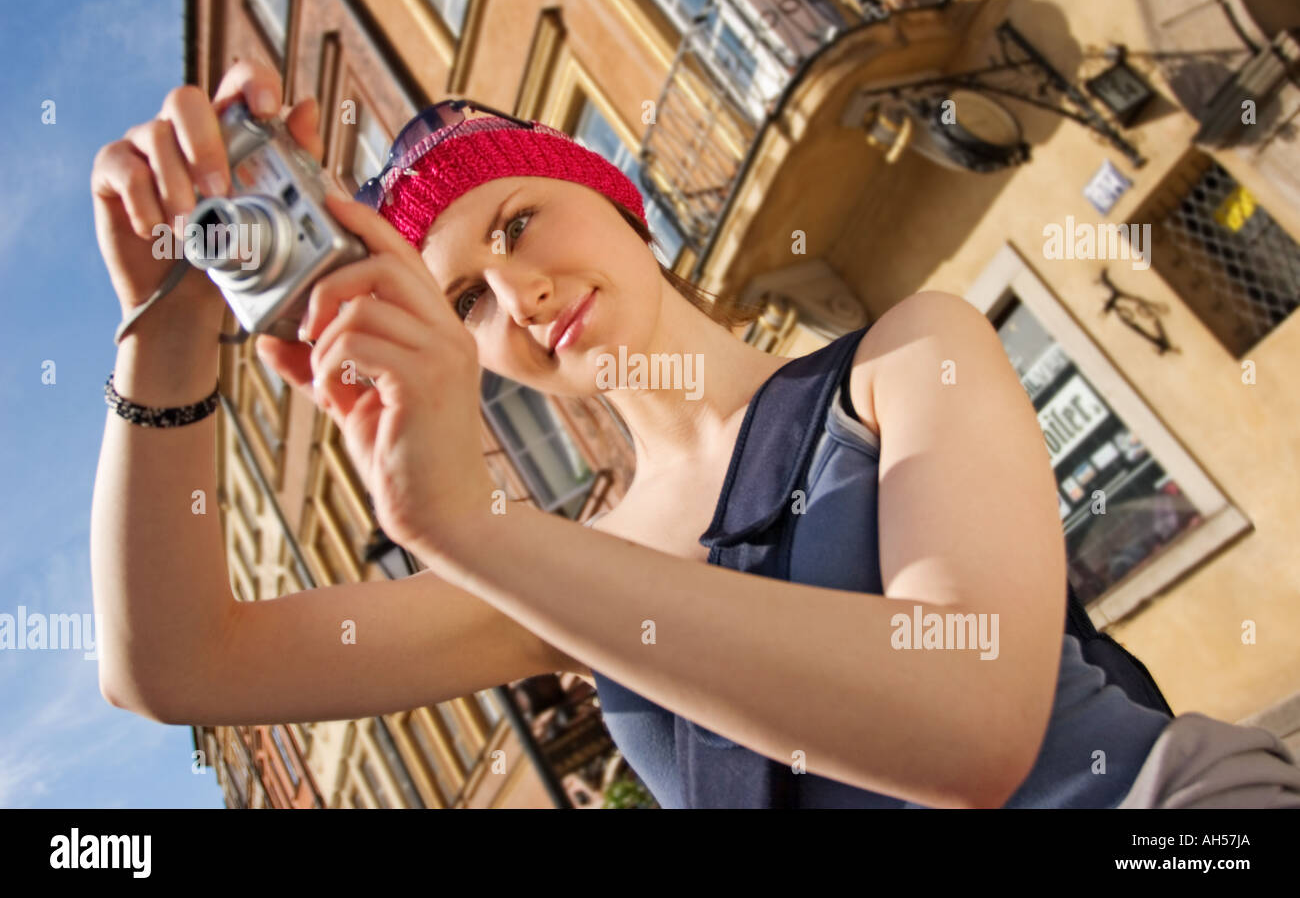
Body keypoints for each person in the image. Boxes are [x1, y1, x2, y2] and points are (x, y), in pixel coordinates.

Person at [90, 60, 1300, 808]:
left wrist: (458, 522)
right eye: (462, 298)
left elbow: (971, 720)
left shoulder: (903, 361)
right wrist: (168, 323)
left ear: (618, 201)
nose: (518, 298)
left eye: (518, 224)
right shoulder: (548, 576)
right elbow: (175, 664)